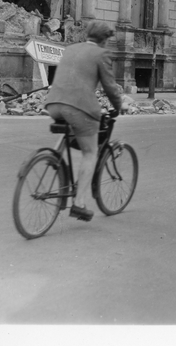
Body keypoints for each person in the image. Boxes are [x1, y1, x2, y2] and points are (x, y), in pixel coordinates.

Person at [44, 21, 123, 221]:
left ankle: (55, 159)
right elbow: (110, 86)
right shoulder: (101, 54)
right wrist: (119, 106)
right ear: (104, 40)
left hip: (53, 103)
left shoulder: (70, 49)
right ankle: (78, 204)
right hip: (78, 107)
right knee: (90, 152)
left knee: (71, 125)